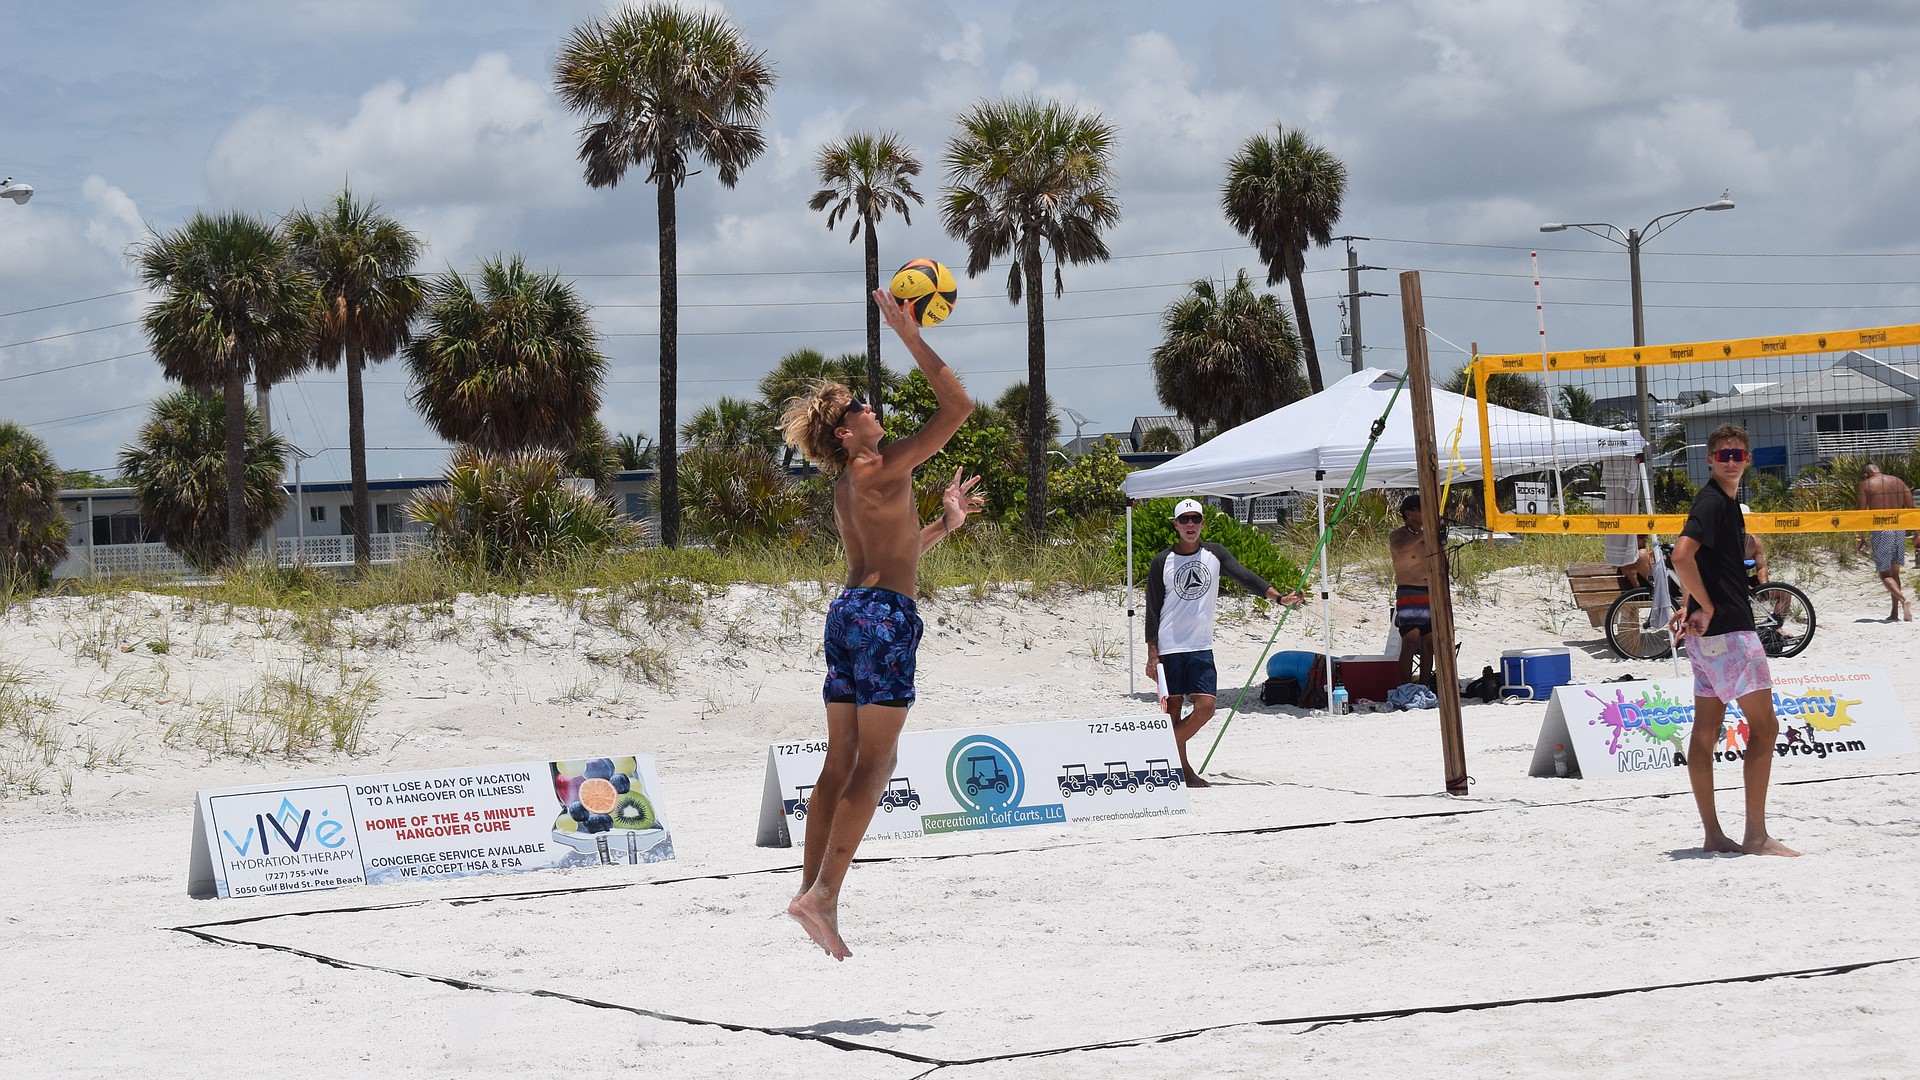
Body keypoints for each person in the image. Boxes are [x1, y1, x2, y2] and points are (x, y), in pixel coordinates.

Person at [778, 289, 981, 960]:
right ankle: (825, 895)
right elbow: (958, 407)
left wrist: (943, 527)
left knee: (839, 763)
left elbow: (893, 555)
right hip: (885, 621)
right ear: (845, 433)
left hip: (848, 615)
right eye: (862, 408)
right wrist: (908, 334)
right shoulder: (880, 464)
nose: (873, 409)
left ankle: (812, 892)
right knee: (879, 760)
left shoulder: (851, 486)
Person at [1668, 424, 1798, 857]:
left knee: (1705, 732)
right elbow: (1680, 556)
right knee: (1765, 727)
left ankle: (1712, 835)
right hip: (1730, 632)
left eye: (1737, 454)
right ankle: (1756, 836)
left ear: (1747, 459)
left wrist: (1690, 606)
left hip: (1706, 640)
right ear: (1709, 460)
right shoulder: (1713, 501)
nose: (1730, 461)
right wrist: (1707, 605)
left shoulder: (1724, 502)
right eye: (1722, 455)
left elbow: (1696, 560)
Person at [1143, 498, 1302, 787]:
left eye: (1195, 519)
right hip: (1170, 647)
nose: (1190, 525)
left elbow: (1245, 577)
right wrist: (1152, 654)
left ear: (1203, 523)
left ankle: (1157, 752)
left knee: (1205, 707)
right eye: (1185, 520)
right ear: (1175, 524)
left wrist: (1278, 598)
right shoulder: (1161, 561)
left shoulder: (1215, 554)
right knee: (1173, 712)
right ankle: (1185, 772)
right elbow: (1152, 609)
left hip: (1201, 646)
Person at [1388, 494, 1445, 688]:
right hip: (1409, 592)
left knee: (1429, 642)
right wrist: (1426, 532)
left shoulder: (1428, 538)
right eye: (1422, 511)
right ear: (1409, 513)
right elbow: (1401, 549)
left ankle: (1425, 685)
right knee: (1410, 640)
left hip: (1430, 593)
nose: (1426, 515)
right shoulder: (1398, 535)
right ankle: (1405, 687)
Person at [1855, 462, 1913, 621]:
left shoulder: (1866, 484)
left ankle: (1903, 600)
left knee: (1884, 574)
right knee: (1895, 573)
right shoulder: (1898, 481)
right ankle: (1895, 613)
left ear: (1866, 474)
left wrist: (1859, 537)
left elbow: (1860, 514)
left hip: (1881, 529)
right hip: (1899, 528)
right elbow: (1911, 509)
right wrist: (1917, 534)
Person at [1601, 456, 1653, 588]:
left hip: (1666, 587)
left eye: (1646, 537)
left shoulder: (1648, 556)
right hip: (1643, 591)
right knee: (1640, 556)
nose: (1645, 540)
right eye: (1641, 537)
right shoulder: (1631, 557)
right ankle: (1650, 589)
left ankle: (1651, 588)